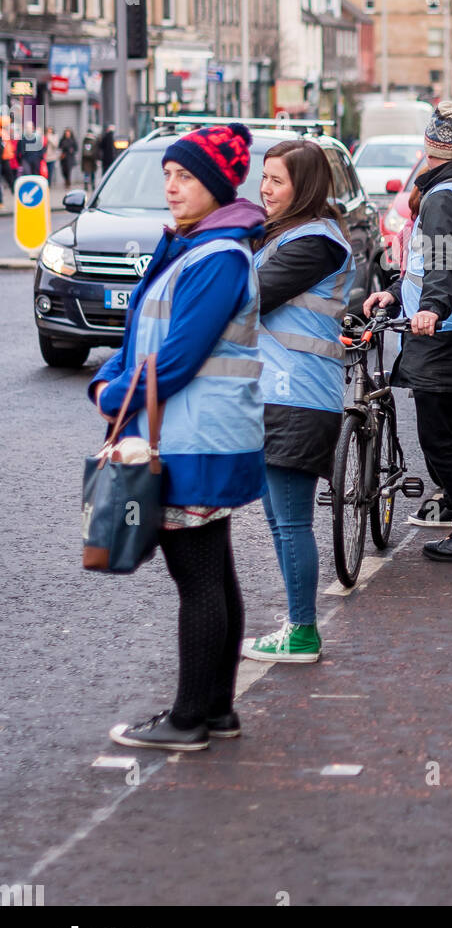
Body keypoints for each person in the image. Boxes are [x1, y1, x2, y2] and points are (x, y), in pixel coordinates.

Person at [91, 121, 267, 752]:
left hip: (194, 438)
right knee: (212, 570)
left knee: (196, 578)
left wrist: (112, 397)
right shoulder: (195, 245)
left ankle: (189, 718)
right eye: (167, 174)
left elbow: (177, 359)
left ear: (217, 186)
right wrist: (108, 381)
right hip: (195, 433)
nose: (170, 186)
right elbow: (138, 331)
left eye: (185, 176)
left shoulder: (218, 255)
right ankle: (217, 712)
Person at [364, 101, 452, 564]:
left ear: (430, 150)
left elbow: (443, 262)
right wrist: (397, 291)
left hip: (448, 331)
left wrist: (430, 310)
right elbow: (431, 263)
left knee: (441, 438)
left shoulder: (444, 196)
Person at [241, 139, 355, 665]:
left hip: (300, 396)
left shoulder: (317, 243)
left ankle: (303, 631)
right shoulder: (285, 234)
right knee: (278, 520)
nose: (265, 189)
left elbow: (249, 295)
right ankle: (295, 624)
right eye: (263, 177)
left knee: (290, 523)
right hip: (277, 393)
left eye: (278, 180)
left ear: (304, 186)